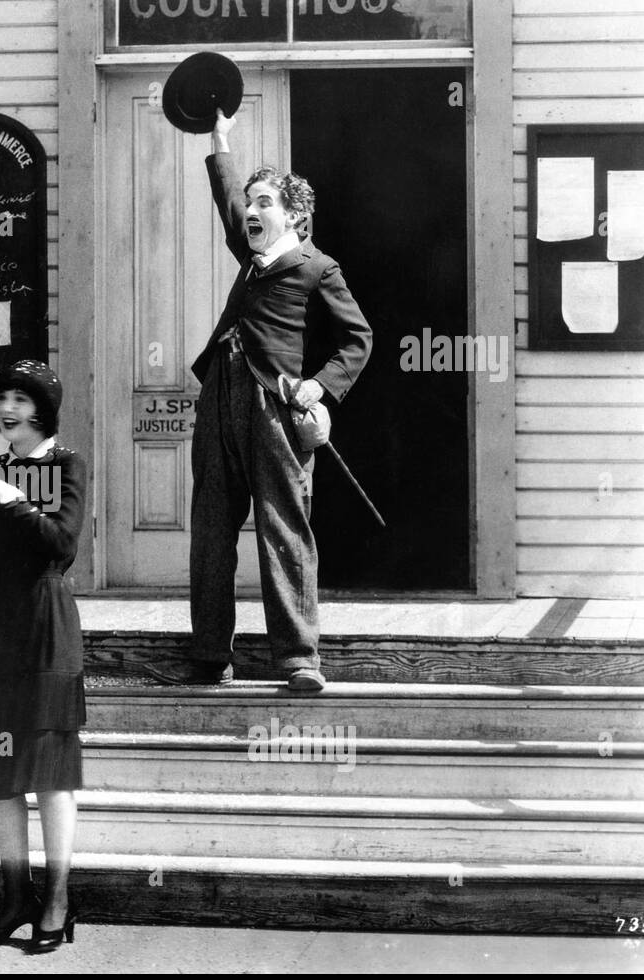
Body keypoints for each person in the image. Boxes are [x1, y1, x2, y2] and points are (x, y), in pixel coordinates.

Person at [147, 109, 372, 692]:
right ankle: (208, 654)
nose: (251, 210)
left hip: (276, 410)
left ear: (295, 214)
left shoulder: (318, 268)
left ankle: (298, 659)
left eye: (264, 202)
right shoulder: (250, 258)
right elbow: (226, 202)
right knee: (212, 527)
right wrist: (221, 140)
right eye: (250, 202)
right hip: (220, 398)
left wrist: (319, 386)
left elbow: (359, 338)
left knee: (284, 529)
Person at [0, 360, 87, 953]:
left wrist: (10, 498)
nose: (7, 409)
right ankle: (15, 896)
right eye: (0, 398)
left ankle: (57, 897)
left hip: (47, 618)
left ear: (43, 408)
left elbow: (61, 544)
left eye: (20, 400)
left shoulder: (66, 463)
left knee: (51, 768)